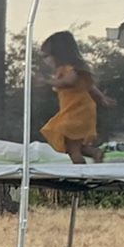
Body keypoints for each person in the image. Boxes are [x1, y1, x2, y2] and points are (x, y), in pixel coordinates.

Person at [39, 31, 113, 164]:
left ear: (58, 54)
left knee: (72, 149)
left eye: (46, 56)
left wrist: (48, 82)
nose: (46, 61)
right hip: (77, 112)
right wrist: (102, 98)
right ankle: (94, 152)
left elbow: (69, 82)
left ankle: (80, 172)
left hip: (77, 113)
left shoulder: (70, 70)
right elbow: (90, 87)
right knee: (72, 145)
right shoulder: (69, 70)